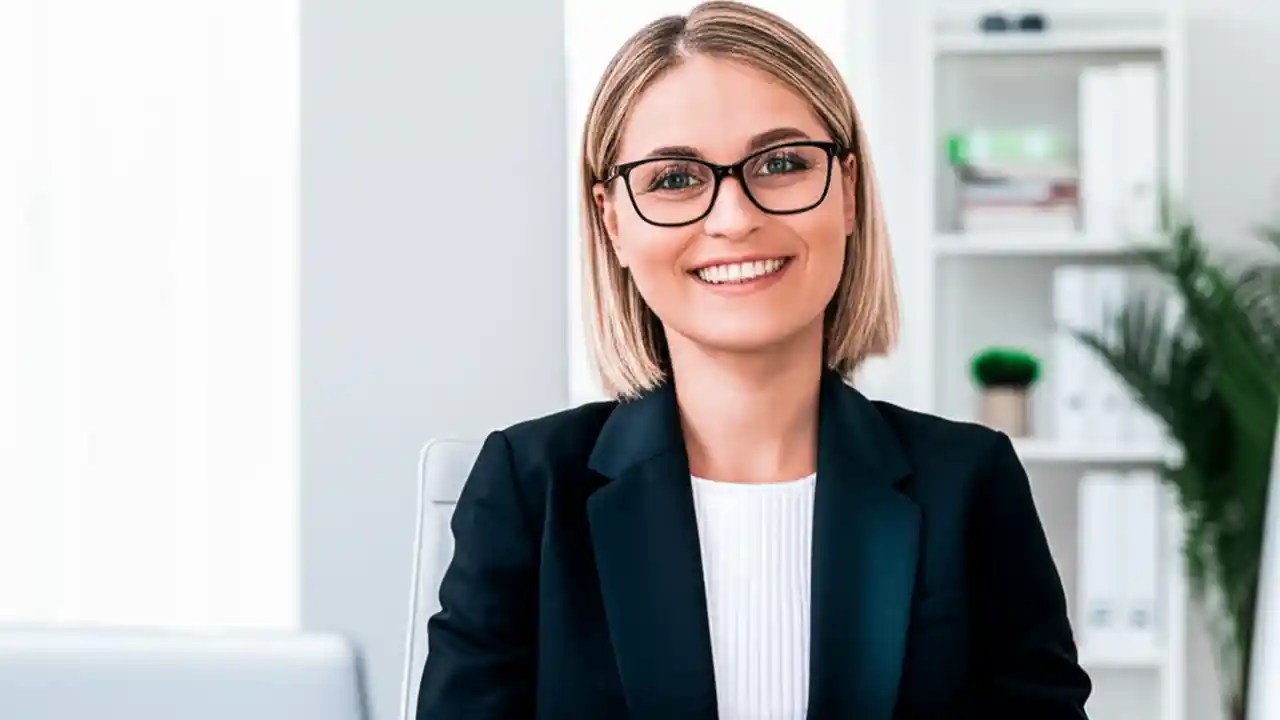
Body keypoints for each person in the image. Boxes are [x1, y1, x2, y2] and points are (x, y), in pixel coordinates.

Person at [417, 2, 1091, 718]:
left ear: (849, 191)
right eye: (674, 178)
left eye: (781, 164)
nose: (734, 218)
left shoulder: (969, 486)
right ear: (612, 220)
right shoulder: (529, 489)